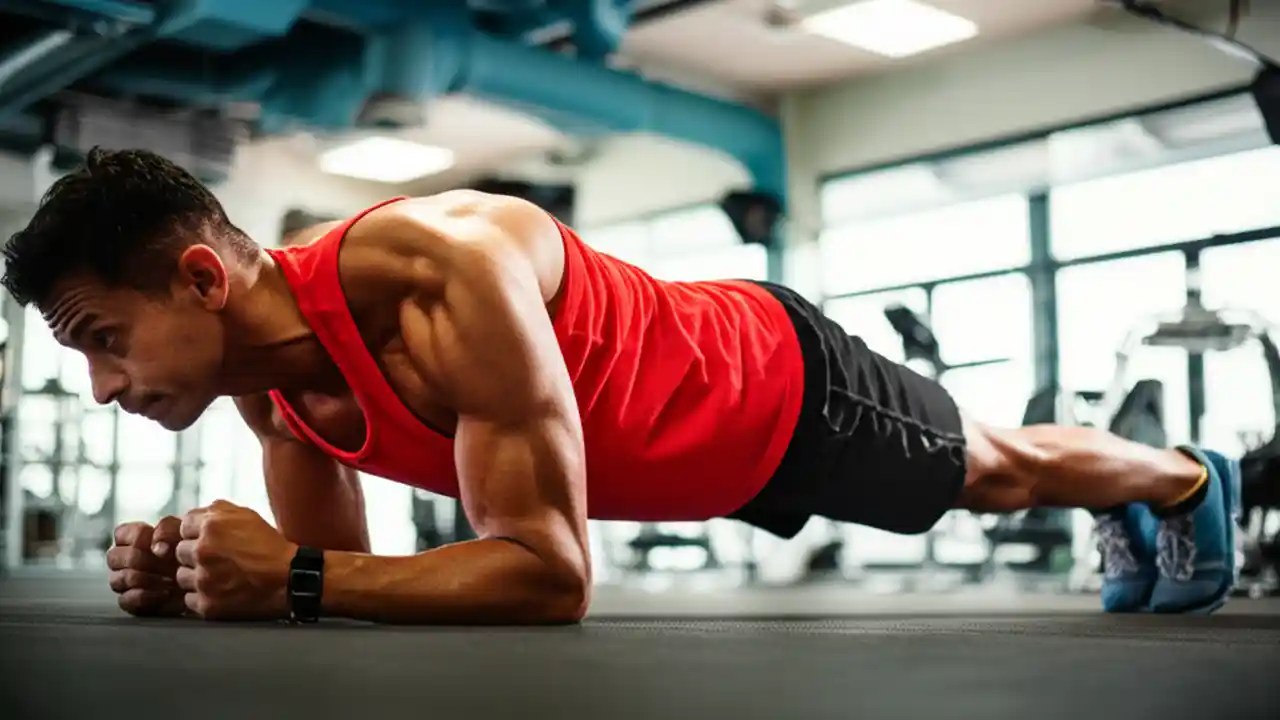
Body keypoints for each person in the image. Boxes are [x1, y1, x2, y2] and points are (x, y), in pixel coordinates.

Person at [1, 149, 1239, 625]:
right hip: (690, 469)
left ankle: (1181, 480)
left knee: (992, 472)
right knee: (990, 475)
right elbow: (348, 595)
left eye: (102, 339)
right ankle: (1131, 497)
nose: (104, 387)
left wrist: (294, 574)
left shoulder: (440, 271)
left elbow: (544, 575)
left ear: (204, 279)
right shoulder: (272, 396)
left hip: (763, 388)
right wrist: (214, 581)